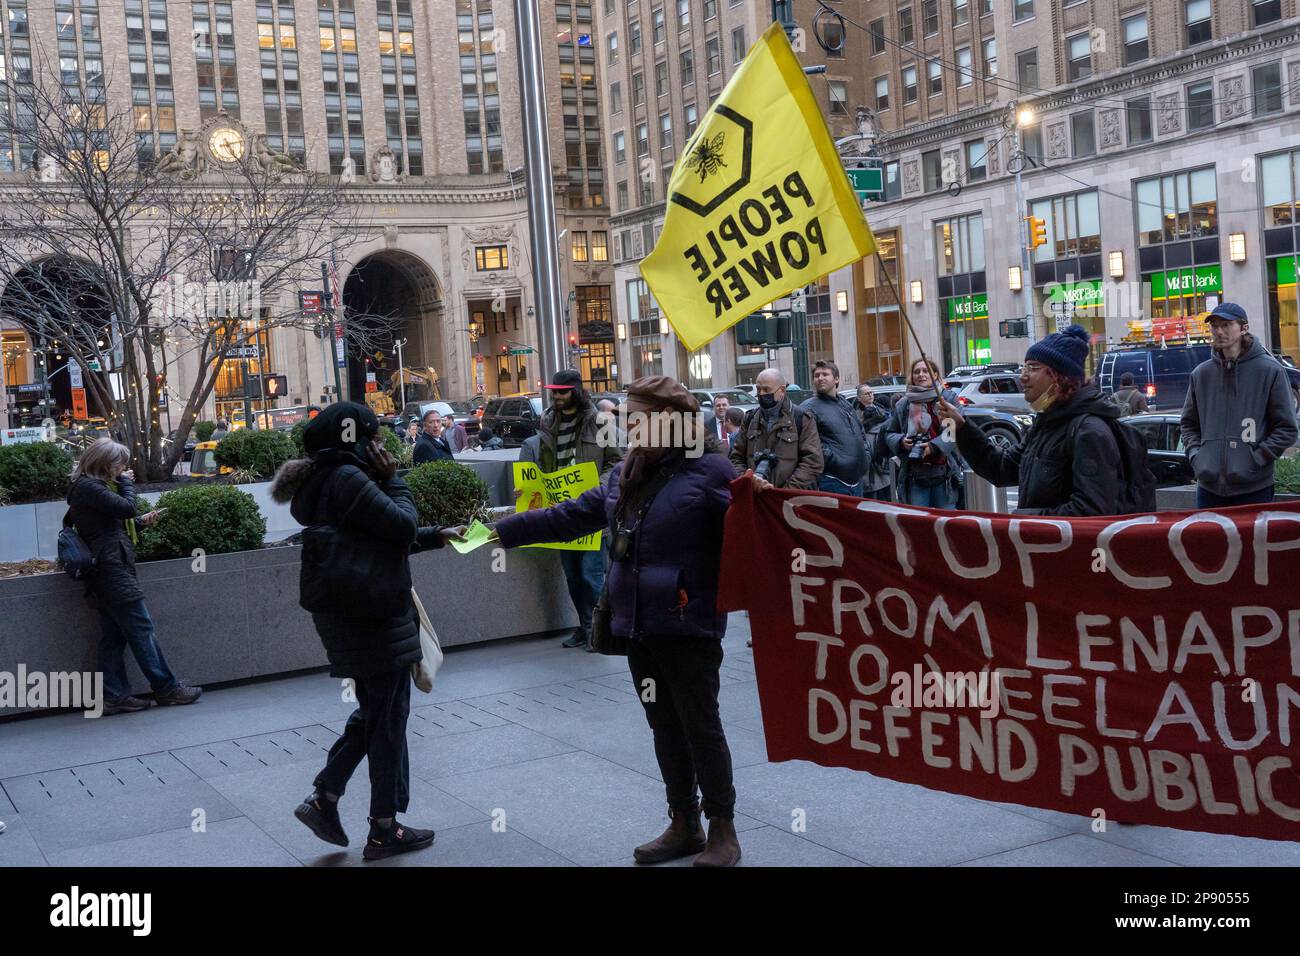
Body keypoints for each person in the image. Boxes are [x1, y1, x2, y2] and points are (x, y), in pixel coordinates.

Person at [490, 376, 741, 866]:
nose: (624, 425)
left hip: (688, 623)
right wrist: (500, 530)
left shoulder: (712, 471)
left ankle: (723, 829)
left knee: (701, 727)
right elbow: (570, 515)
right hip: (636, 624)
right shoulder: (626, 472)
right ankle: (683, 822)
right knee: (663, 725)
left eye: (635, 417)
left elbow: (754, 533)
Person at [271, 402, 461, 860]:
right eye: (374, 439)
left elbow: (367, 539)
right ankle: (383, 827)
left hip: (351, 613)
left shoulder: (324, 478)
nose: (382, 447)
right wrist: (394, 479)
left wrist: (436, 536)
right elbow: (399, 525)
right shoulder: (349, 477)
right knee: (388, 717)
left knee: (377, 711)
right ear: (354, 441)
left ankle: (325, 798)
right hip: (372, 616)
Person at [66, 439, 202, 715]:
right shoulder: (89, 487)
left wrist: (141, 523)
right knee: (142, 629)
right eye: (121, 464)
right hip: (111, 570)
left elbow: (109, 526)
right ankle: (167, 688)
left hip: (109, 568)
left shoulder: (89, 487)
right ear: (105, 464)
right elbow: (126, 508)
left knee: (114, 636)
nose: (125, 469)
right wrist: (127, 484)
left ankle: (116, 696)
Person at [937, 325, 1125, 516]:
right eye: (1024, 367)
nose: (1023, 376)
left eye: (1033, 367)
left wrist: (1024, 519)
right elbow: (1001, 468)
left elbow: (1092, 513)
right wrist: (962, 427)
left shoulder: (1089, 431)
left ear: (1059, 377)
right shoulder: (1044, 425)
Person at [521, 369, 623, 650]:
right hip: (561, 509)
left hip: (590, 510)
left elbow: (615, 462)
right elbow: (543, 464)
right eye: (554, 392)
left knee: (591, 575)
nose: (556, 397)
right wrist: (532, 488)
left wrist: (595, 489)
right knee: (573, 575)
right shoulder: (548, 421)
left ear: (576, 392)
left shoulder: (600, 422)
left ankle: (597, 630)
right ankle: (584, 626)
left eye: (562, 392)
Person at [1181, 302, 1298, 507]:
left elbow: (1287, 428)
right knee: (1207, 540)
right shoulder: (1201, 374)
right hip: (1209, 488)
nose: (1219, 331)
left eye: (1226, 325)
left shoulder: (1269, 371)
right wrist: (1197, 457)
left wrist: (1257, 459)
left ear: (1244, 328)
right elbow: (1189, 424)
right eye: (1214, 326)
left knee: (1253, 541)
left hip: (1254, 487)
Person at [884, 358, 963, 508]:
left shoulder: (948, 399)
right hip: (915, 476)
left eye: (925, 371)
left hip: (944, 475)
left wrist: (933, 447)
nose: (921, 374)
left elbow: (955, 430)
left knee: (946, 524)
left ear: (934, 374)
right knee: (919, 526)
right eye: (917, 372)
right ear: (912, 377)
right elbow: (889, 433)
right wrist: (901, 441)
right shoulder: (904, 404)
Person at [729, 367, 823, 491]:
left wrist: (784, 492)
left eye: (766, 389)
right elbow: (736, 458)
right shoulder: (750, 418)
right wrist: (749, 481)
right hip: (755, 495)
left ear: (782, 391)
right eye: (758, 389)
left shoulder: (802, 419)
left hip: (788, 500)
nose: (761, 394)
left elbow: (812, 462)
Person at [801, 360, 869, 496]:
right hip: (831, 481)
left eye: (825, 374)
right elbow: (810, 443)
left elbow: (860, 433)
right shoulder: (808, 408)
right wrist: (834, 460)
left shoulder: (845, 404)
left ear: (836, 379)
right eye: (816, 375)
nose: (820, 378)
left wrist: (866, 455)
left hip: (857, 481)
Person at [854, 384, 892, 501]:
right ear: (859, 398)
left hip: (883, 463)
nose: (870, 395)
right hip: (867, 465)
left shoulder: (883, 412)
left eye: (871, 392)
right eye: (867, 393)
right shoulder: (855, 416)